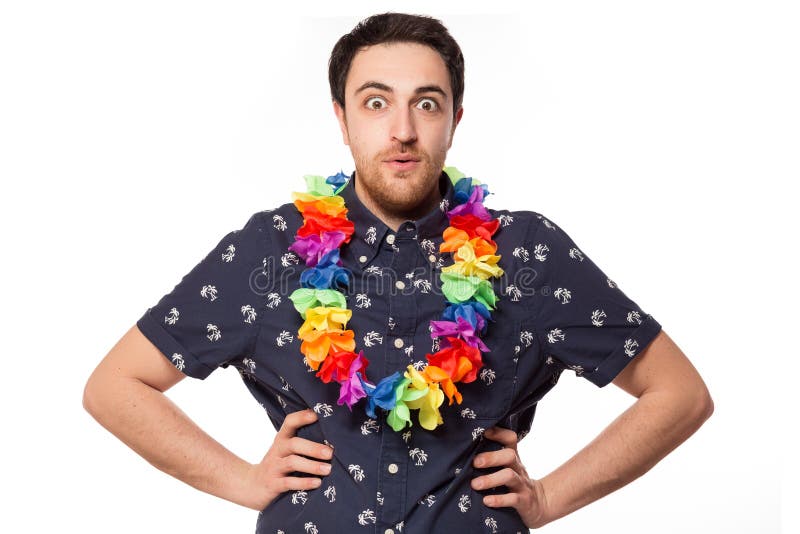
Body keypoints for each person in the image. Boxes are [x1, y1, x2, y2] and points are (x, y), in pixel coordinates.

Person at [83, 12, 713, 533]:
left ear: (455, 118)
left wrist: (549, 497)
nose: (403, 130)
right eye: (377, 102)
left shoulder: (528, 254)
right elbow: (116, 386)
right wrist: (241, 481)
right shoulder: (273, 251)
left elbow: (679, 395)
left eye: (427, 104)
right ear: (342, 117)